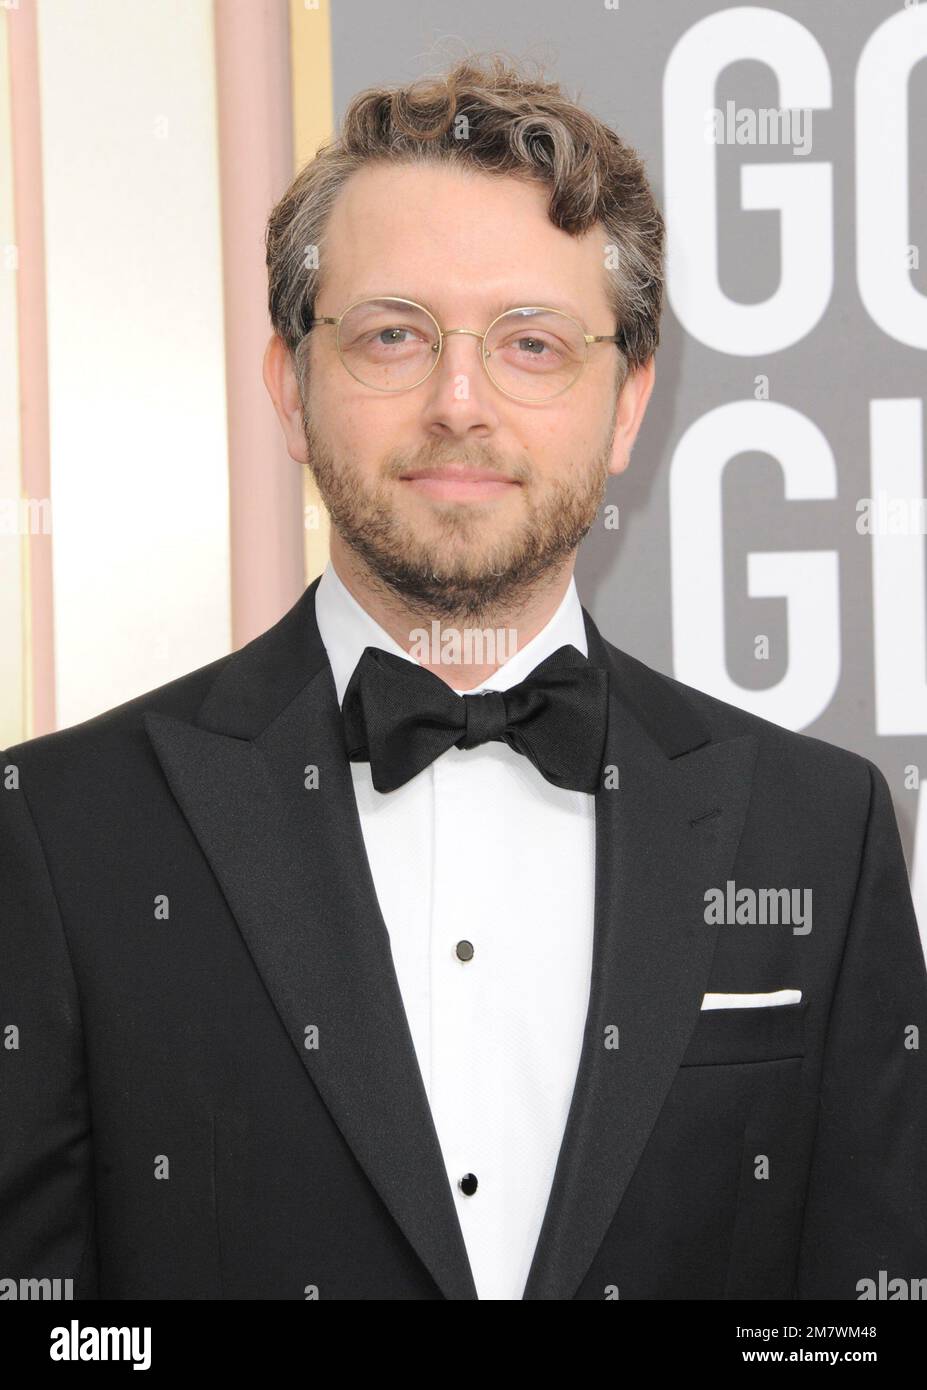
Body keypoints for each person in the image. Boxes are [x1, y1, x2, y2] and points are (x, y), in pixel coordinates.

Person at [2, 54, 925, 1302]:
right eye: (393, 334)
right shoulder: (61, 831)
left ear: (626, 407)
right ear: (291, 387)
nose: (459, 401)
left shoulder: (820, 828)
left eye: (532, 345)